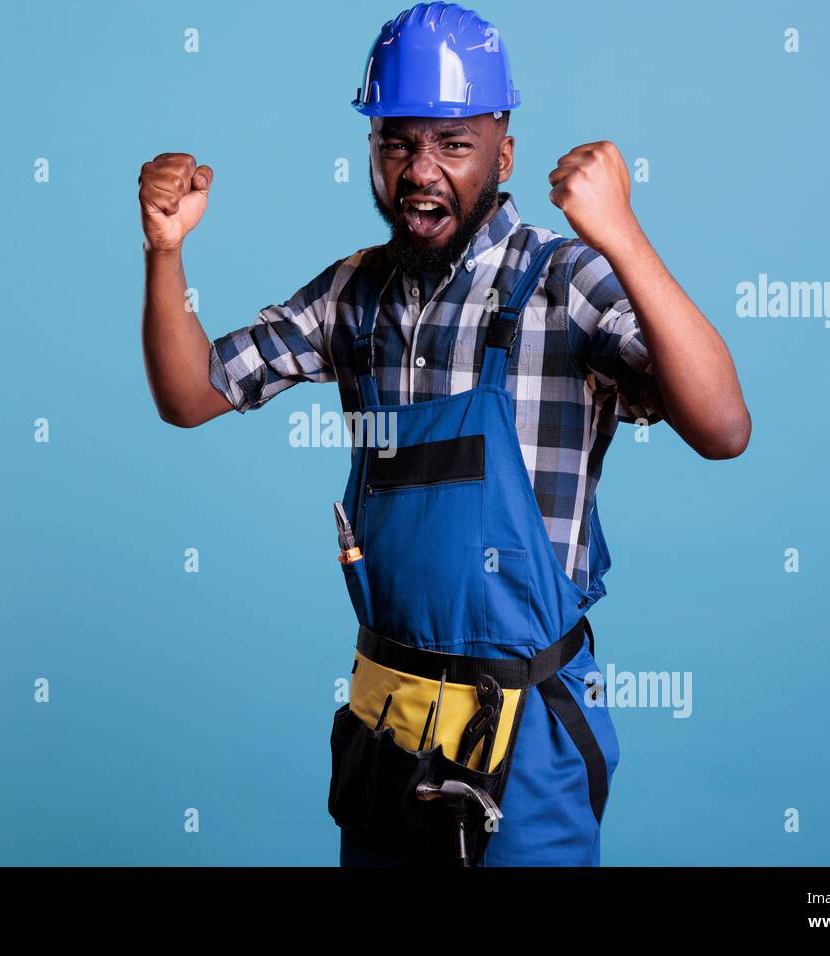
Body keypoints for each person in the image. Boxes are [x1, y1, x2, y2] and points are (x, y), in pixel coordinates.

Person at [138, 2, 749, 866]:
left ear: (504, 150)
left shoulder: (563, 280)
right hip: (386, 728)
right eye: (397, 143)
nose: (421, 173)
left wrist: (621, 235)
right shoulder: (355, 292)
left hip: (525, 738)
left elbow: (724, 426)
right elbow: (189, 394)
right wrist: (166, 253)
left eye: (454, 145)